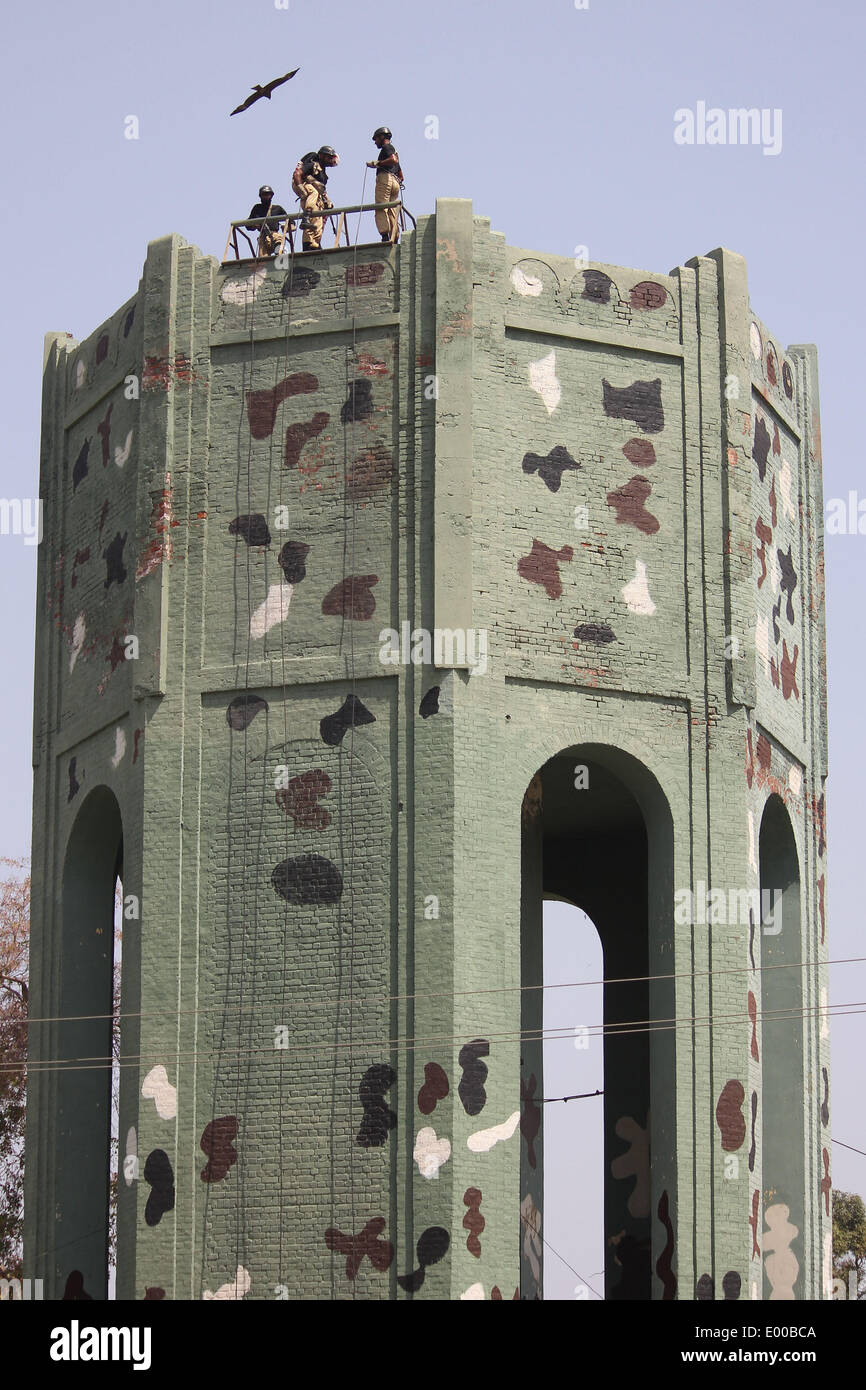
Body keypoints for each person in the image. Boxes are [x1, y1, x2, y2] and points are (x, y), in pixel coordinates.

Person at [292, 146, 340, 251]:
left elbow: (322, 191)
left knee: (318, 217)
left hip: (313, 194)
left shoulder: (323, 176)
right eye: (329, 157)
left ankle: (313, 244)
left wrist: (327, 202)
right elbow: (297, 174)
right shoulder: (313, 164)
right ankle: (306, 216)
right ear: (322, 156)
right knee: (313, 195)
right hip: (302, 184)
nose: (330, 161)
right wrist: (301, 188)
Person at [366, 127, 403, 243]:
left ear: (382, 137)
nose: (375, 142)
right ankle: (394, 236)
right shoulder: (394, 150)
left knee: (381, 207)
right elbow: (401, 174)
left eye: (376, 139)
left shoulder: (387, 148)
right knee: (392, 210)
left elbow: (393, 160)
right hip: (395, 181)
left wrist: (378, 163)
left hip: (385, 179)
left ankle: (385, 235)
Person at [245, 185, 288, 258]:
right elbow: (248, 225)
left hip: (274, 234)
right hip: (263, 237)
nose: (266, 197)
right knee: (263, 260)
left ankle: (280, 256)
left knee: (278, 241)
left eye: (267, 194)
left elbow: (290, 221)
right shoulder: (257, 208)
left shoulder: (277, 209)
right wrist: (254, 225)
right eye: (264, 195)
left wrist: (286, 227)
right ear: (260, 196)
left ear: (271, 196)